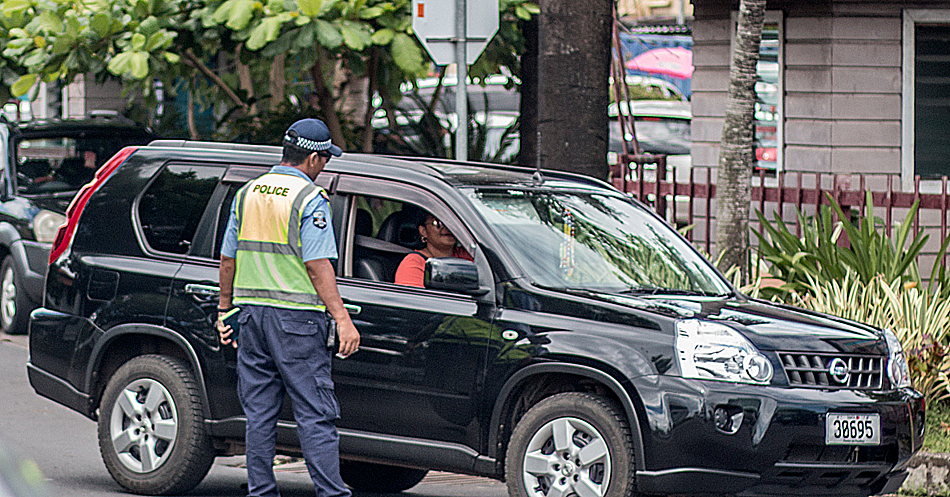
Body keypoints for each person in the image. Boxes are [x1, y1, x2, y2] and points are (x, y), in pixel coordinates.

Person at [216, 118, 359, 497]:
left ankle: (261, 492)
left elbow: (227, 259)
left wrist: (223, 310)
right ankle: (332, 493)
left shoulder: (247, 193)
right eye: (325, 159)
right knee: (316, 414)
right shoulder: (309, 198)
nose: (325, 166)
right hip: (296, 320)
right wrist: (343, 319)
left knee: (259, 415)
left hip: (250, 319)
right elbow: (317, 265)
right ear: (313, 158)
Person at [394, 210, 472, 287]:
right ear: (423, 231)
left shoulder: (471, 255)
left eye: (452, 222)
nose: (447, 227)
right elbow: (413, 298)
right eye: (438, 223)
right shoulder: (414, 264)